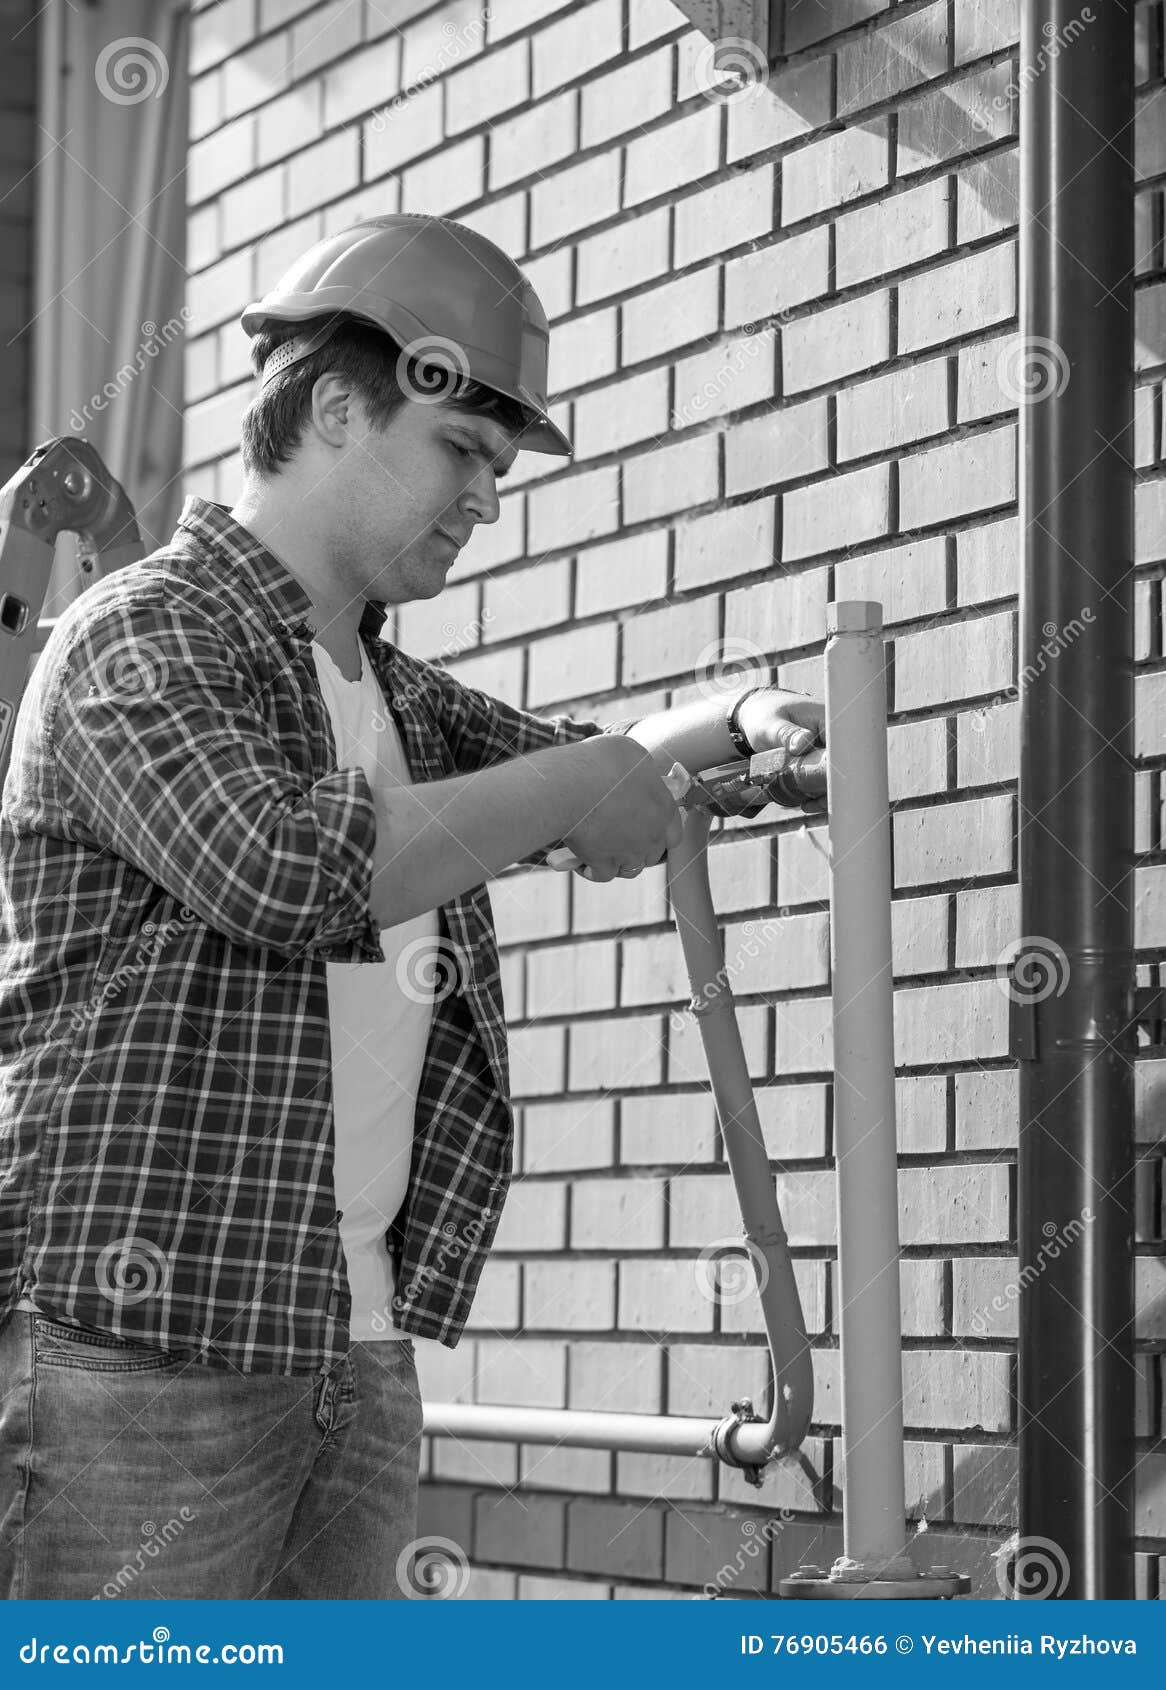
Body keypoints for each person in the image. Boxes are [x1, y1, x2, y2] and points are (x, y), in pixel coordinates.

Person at [0, 214, 824, 1600]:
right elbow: (279, 867)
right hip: (142, 1351)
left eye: (497, 466)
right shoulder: (141, 631)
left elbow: (575, 757)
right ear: (333, 404)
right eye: (461, 451)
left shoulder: (389, 693)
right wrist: (586, 776)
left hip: (349, 1338)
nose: (486, 498)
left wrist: (737, 723)